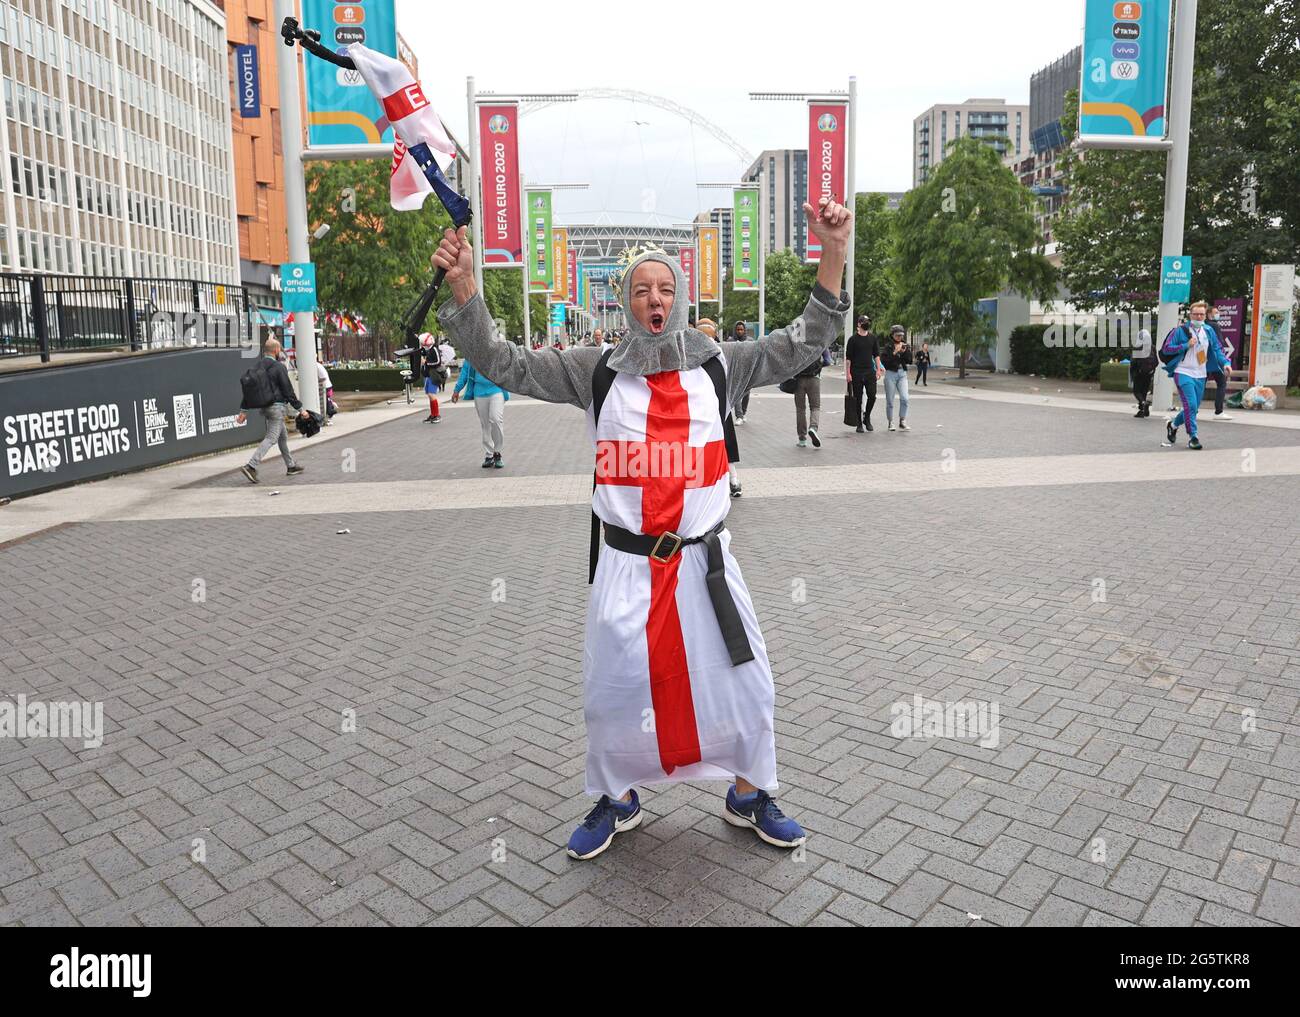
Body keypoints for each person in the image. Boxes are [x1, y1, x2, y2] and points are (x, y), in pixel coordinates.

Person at [432, 196, 854, 861]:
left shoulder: (720, 362)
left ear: (679, 296)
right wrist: (464, 290)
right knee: (614, 692)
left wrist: (833, 249)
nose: (654, 298)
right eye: (641, 289)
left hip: (705, 566)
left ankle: (749, 791)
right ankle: (617, 796)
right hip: (627, 567)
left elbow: (806, 339)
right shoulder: (593, 370)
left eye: (665, 287)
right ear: (625, 301)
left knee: (748, 684)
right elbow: (505, 362)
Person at [238, 337, 309, 484]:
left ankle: (291, 466)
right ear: (276, 350)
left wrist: (243, 410)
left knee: (282, 436)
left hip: (266, 407)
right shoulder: (279, 367)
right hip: (277, 407)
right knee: (271, 437)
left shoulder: (256, 367)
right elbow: (288, 390)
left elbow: (249, 391)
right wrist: (300, 409)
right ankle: (251, 466)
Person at [1161, 300, 1230, 451]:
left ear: (1205, 315)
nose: (1199, 317)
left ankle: (1172, 425)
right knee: (1191, 405)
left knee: (1193, 408)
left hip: (1201, 374)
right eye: (1195, 314)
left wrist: (1226, 363)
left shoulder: (1208, 331)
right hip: (1183, 372)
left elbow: (1218, 349)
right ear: (1190, 315)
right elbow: (1167, 349)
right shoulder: (1180, 331)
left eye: (1201, 314)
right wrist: (1186, 345)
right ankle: (1193, 437)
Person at [698, 317, 742, 497]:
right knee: (725, 444)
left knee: (712, 445)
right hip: (719, 406)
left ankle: (729, 480)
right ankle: (733, 480)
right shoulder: (719, 352)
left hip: (706, 407)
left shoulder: (709, 352)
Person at [452, 358, 509, 469]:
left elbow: (507, 369)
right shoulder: (472, 354)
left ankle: (497, 452)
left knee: (496, 419)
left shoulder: (496, 351)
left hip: (496, 390)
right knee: (485, 424)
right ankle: (489, 455)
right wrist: (456, 390)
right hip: (479, 393)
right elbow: (464, 373)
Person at [845, 314, 883, 432]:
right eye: (864, 322)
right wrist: (848, 374)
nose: (867, 324)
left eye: (868, 322)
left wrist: (878, 369)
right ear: (859, 324)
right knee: (858, 398)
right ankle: (859, 423)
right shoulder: (853, 340)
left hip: (869, 372)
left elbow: (876, 355)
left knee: (872, 396)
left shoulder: (873, 338)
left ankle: (867, 417)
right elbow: (848, 358)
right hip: (856, 372)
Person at [793, 344, 830, 448]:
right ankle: (813, 428)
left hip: (798, 379)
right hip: (814, 379)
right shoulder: (820, 341)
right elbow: (828, 361)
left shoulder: (797, 341)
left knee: (800, 409)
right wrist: (819, 366)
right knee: (815, 407)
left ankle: (802, 439)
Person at [880, 326, 912, 431]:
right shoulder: (888, 346)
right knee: (890, 400)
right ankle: (890, 422)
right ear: (892, 335)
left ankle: (902, 420)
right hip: (890, 374)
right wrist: (894, 353)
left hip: (902, 373)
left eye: (901, 335)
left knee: (905, 398)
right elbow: (884, 361)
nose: (899, 337)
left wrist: (903, 352)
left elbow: (910, 360)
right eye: (897, 335)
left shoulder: (905, 345)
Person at [1207, 306, 1235, 420]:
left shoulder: (1203, 326)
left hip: (1203, 360)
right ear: (1209, 314)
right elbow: (1219, 344)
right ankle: (1219, 412)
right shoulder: (1214, 325)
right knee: (1222, 383)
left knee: (1199, 384)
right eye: (1216, 312)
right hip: (1215, 359)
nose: (1218, 314)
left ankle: (1193, 409)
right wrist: (1225, 362)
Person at [1130, 327, 1157, 417]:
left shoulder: (1137, 347)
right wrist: (1152, 371)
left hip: (1139, 373)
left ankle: (1143, 404)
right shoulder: (1152, 347)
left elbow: (1133, 362)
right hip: (1149, 373)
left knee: (1136, 391)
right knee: (1144, 391)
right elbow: (1156, 362)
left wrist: (1132, 374)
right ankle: (1143, 410)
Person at [418, 332, 445, 422]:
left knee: (431, 394)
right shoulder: (428, 350)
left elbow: (438, 362)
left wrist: (426, 362)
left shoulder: (434, 349)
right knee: (430, 395)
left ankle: (436, 415)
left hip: (434, 375)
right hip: (428, 375)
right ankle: (433, 414)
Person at [730, 321, 752, 423]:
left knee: (746, 394)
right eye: (738, 329)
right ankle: (739, 416)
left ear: (744, 330)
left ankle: (743, 413)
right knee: (737, 393)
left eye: (741, 329)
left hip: (747, 371)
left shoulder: (750, 341)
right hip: (735, 371)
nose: (739, 331)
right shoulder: (730, 341)